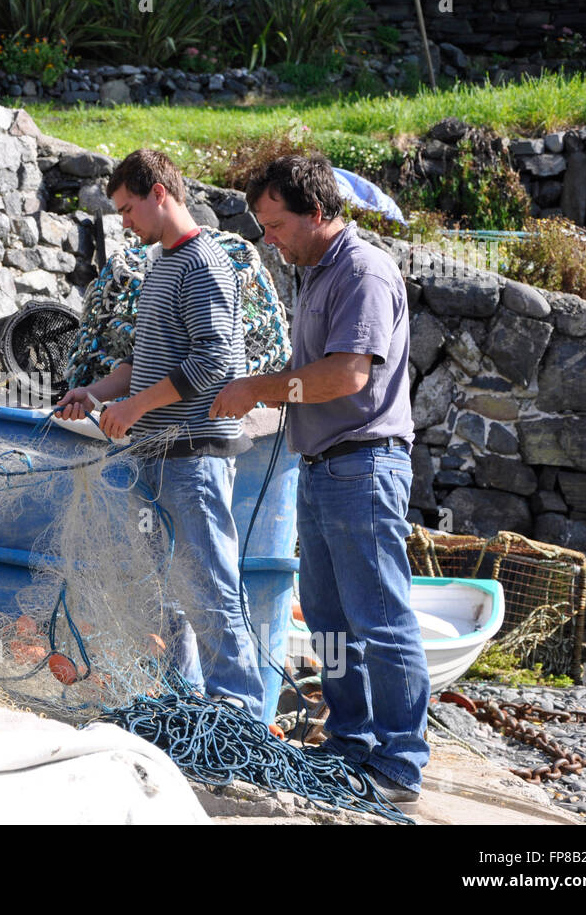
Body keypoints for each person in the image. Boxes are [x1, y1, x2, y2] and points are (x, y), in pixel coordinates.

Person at [208, 153, 429, 806]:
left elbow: (347, 376)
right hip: (326, 467)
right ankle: (351, 739)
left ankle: (400, 764)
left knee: (381, 619)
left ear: (318, 213)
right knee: (331, 621)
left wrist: (260, 388)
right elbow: (315, 374)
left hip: (364, 466)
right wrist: (268, 389)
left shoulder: (362, 270)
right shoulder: (318, 272)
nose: (268, 240)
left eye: (276, 226)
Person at [55, 148, 264, 714]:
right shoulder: (164, 264)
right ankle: (190, 708)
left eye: (126, 208)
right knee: (170, 595)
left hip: (194, 453)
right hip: (160, 454)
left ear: (159, 194)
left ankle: (238, 715)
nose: (122, 221)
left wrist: (136, 409)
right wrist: (96, 394)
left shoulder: (202, 264)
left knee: (210, 589)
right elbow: (143, 360)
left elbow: (216, 360)